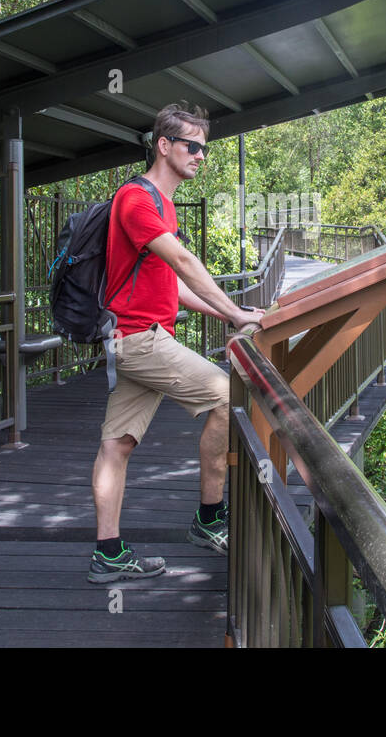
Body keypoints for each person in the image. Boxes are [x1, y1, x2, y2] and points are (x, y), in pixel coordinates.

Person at [88, 102, 264, 583]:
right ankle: (209, 521)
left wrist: (233, 314)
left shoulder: (163, 205)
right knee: (228, 394)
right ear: (163, 146)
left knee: (116, 444)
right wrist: (234, 312)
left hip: (138, 340)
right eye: (192, 145)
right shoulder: (136, 200)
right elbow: (184, 263)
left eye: (204, 147)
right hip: (139, 341)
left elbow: (177, 286)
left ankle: (108, 552)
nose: (200, 155)